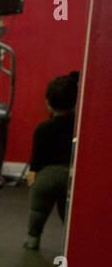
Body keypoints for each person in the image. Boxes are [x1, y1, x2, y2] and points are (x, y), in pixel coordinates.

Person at [24, 71, 78, 250]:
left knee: (38, 210)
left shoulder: (43, 128)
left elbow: (37, 157)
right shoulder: (79, 127)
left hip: (47, 176)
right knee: (68, 213)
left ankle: (33, 239)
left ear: (48, 102)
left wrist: (33, 173)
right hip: (70, 174)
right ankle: (69, 242)